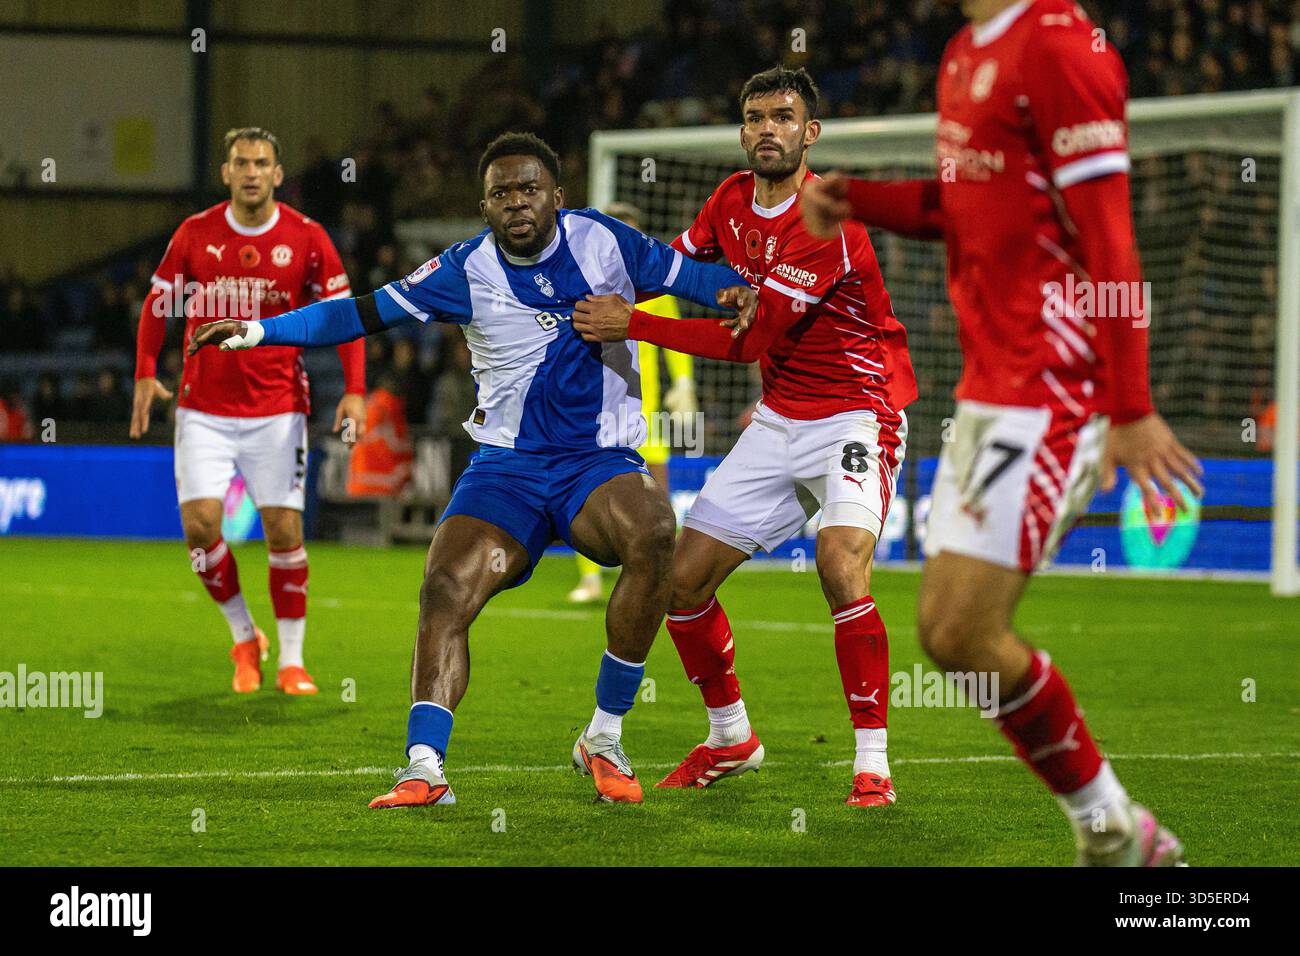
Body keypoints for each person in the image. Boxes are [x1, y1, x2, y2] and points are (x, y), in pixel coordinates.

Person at [187, 132, 757, 807]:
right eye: (501, 193)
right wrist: (257, 331)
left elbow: (697, 279)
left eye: (529, 189)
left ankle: (603, 736)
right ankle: (424, 767)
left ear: (556, 196)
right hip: (506, 471)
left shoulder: (606, 242)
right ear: (483, 206)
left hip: (595, 464)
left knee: (655, 531)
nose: (516, 202)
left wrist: (748, 292)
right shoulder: (462, 270)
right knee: (446, 585)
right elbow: (359, 313)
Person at [801, 0, 1203, 864]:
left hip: (1054, 383)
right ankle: (1114, 829)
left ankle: (1114, 828)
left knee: (962, 629)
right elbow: (966, 208)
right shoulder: (960, 53)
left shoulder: (1061, 47)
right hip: (991, 389)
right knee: (950, 635)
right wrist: (857, 198)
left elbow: (1110, 237)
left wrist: (1130, 406)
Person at [574, 67, 916, 807]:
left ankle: (873, 765)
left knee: (839, 563)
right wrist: (581, 290)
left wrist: (631, 323)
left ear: (810, 133)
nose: (768, 129)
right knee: (680, 580)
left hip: (857, 412)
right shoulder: (728, 201)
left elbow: (749, 340)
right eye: (756, 117)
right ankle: (731, 737)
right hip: (781, 416)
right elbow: (672, 268)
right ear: (742, 131)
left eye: (784, 117)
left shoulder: (828, 220)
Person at [130, 127, 367, 697]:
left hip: (277, 409)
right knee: (199, 530)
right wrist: (144, 370)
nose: (252, 172)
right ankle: (243, 635)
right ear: (226, 172)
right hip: (202, 407)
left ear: (278, 174)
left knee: (283, 529)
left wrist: (356, 388)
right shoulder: (195, 232)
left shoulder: (307, 237)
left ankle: (292, 660)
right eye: (242, 162)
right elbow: (159, 303)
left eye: (262, 163)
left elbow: (344, 315)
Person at [568, 200, 698, 604]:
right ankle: (591, 579)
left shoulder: (653, 290)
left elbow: (675, 339)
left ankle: (666, 569)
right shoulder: (582, 285)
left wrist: (684, 383)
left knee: (656, 489)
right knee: (586, 489)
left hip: (645, 412)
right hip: (595, 412)